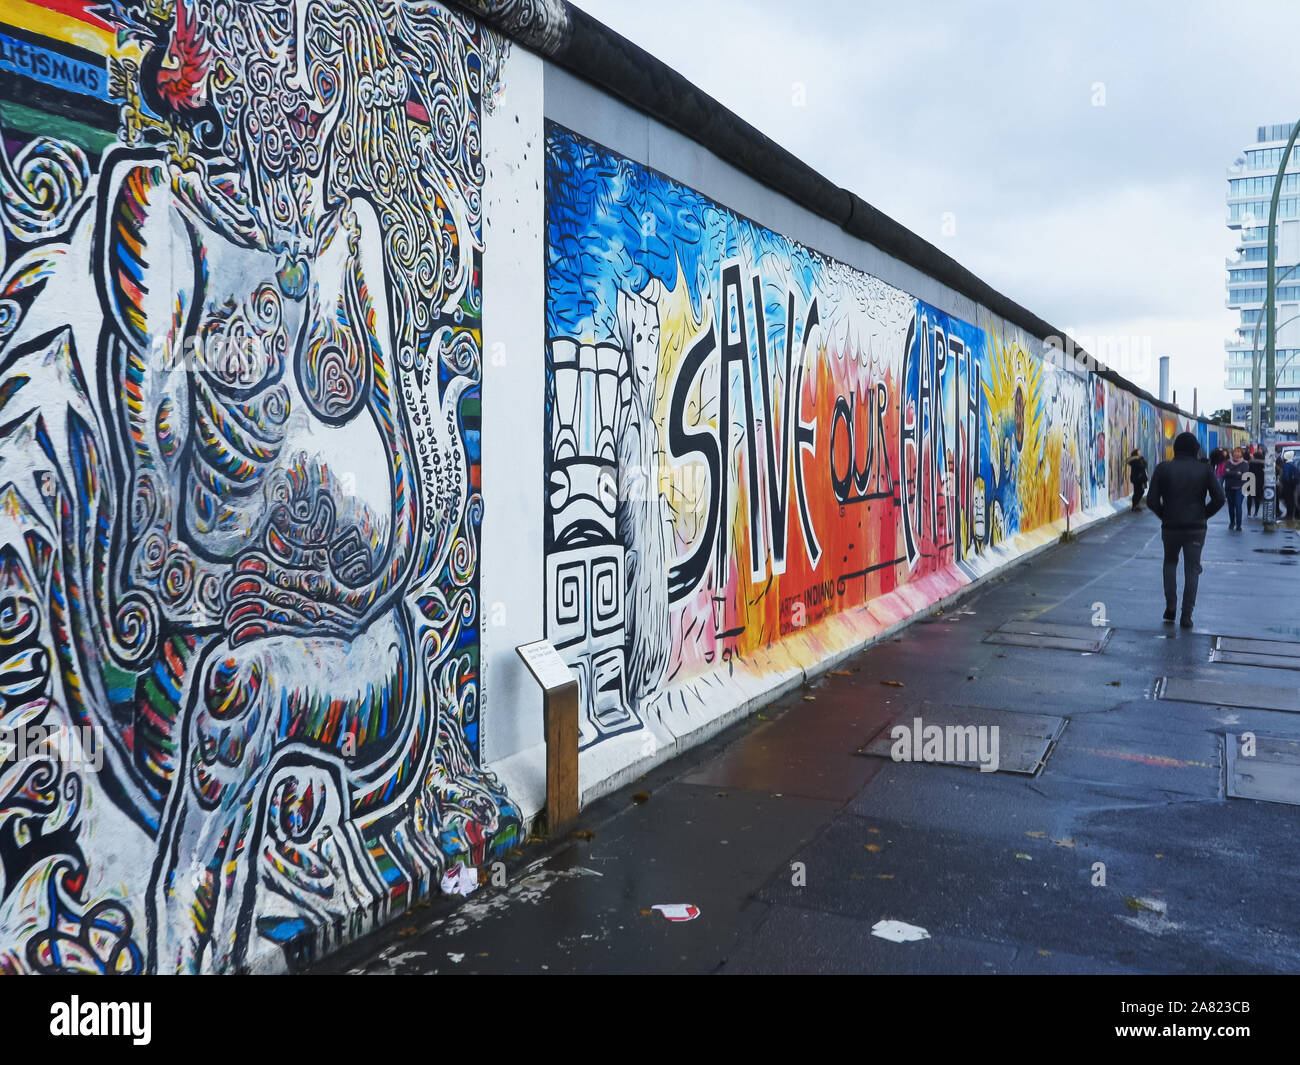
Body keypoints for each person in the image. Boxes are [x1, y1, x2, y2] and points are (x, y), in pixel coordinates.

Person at [1146, 431, 1226, 628]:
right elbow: (1220, 498)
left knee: (1170, 563)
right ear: (1195, 449)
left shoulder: (1163, 469)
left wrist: (1164, 514)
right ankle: (1187, 615)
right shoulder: (1205, 470)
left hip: (1171, 526)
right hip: (1196, 528)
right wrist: (1204, 514)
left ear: (1176, 448)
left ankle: (1170, 606)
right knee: (1192, 570)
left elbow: (1151, 500)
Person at [1222, 446, 1249, 530]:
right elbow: (1225, 474)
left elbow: (1244, 475)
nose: (1236, 453)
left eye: (1239, 452)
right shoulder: (1228, 462)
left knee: (1238, 505)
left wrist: (1231, 472)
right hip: (1229, 487)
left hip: (1240, 487)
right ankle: (1232, 522)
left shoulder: (1244, 463)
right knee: (1231, 506)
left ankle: (1238, 524)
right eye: (1235, 451)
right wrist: (1236, 473)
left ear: (1241, 454)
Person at [1248, 444, 1266, 517]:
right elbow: (1263, 473)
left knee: (1249, 497)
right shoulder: (1264, 463)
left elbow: (1248, 471)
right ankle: (1256, 512)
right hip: (1259, 482)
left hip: (1250, 481)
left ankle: (1249, 512)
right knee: (1257, 498)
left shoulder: (1251, 462)